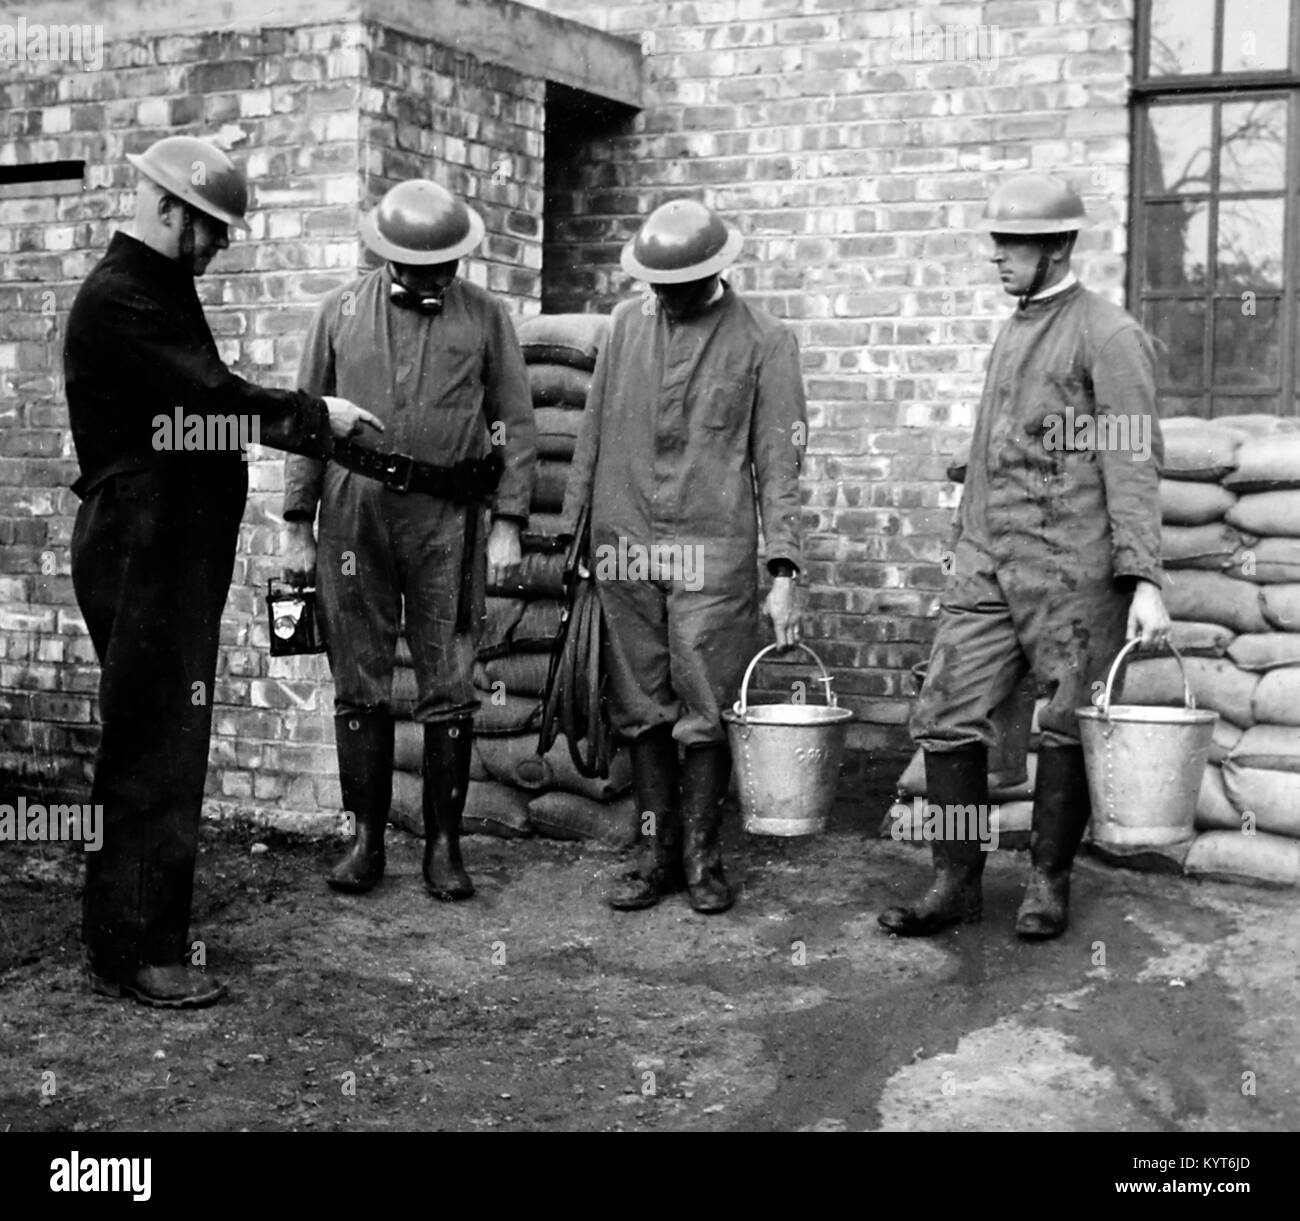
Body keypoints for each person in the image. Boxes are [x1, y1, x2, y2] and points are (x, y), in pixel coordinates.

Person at [66, 136, 381, 1008]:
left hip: (164, 541)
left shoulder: (155, 289)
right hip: (145, 541)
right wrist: (319, 417)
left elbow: (201, 413)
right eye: (210, 231)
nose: (216, 249)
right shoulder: (124, 298)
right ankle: (140, 949)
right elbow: (213, 400)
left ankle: (128, 935)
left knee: (163, 732)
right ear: (167, 208)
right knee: (155, 740)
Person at [879, 173, 1171, 942]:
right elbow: (1006, 446)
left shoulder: (1107, 335)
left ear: (1059, 246)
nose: (998, 257)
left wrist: (1142, 579)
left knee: (1064, 724)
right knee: (947, 714)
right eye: (996, 242)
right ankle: (955, 879)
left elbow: (1131, 459)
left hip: (1072, 569)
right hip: (988, 562)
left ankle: (1047, 882)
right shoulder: (1014, 329)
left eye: (1014, 244)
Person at [282, 179, 535, 902]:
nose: (436, 279)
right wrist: (298, 523)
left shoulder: (486, 317)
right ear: (388, 256)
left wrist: (509, 523)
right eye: (421, 266)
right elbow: (306, 420)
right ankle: (364, 839)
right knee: (358, 676)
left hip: (445, 519)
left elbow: (515, 421)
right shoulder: (338, 312)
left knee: (448, 679)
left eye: (447, 265)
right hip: (353, 509)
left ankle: (445, 846)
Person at [562, 199, 806, 915]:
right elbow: (590, 435)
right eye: (653, 284)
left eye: (676, 284)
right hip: (625, 539)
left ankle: (704, 855)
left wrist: (783, 570)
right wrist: (578, 535)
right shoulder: (623, 328)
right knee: (639, 704)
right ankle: (654, 854)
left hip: (712, 547)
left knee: (704, 702)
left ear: (715, 272)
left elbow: (780, 461)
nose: (661, 297)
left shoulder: (765, 340)